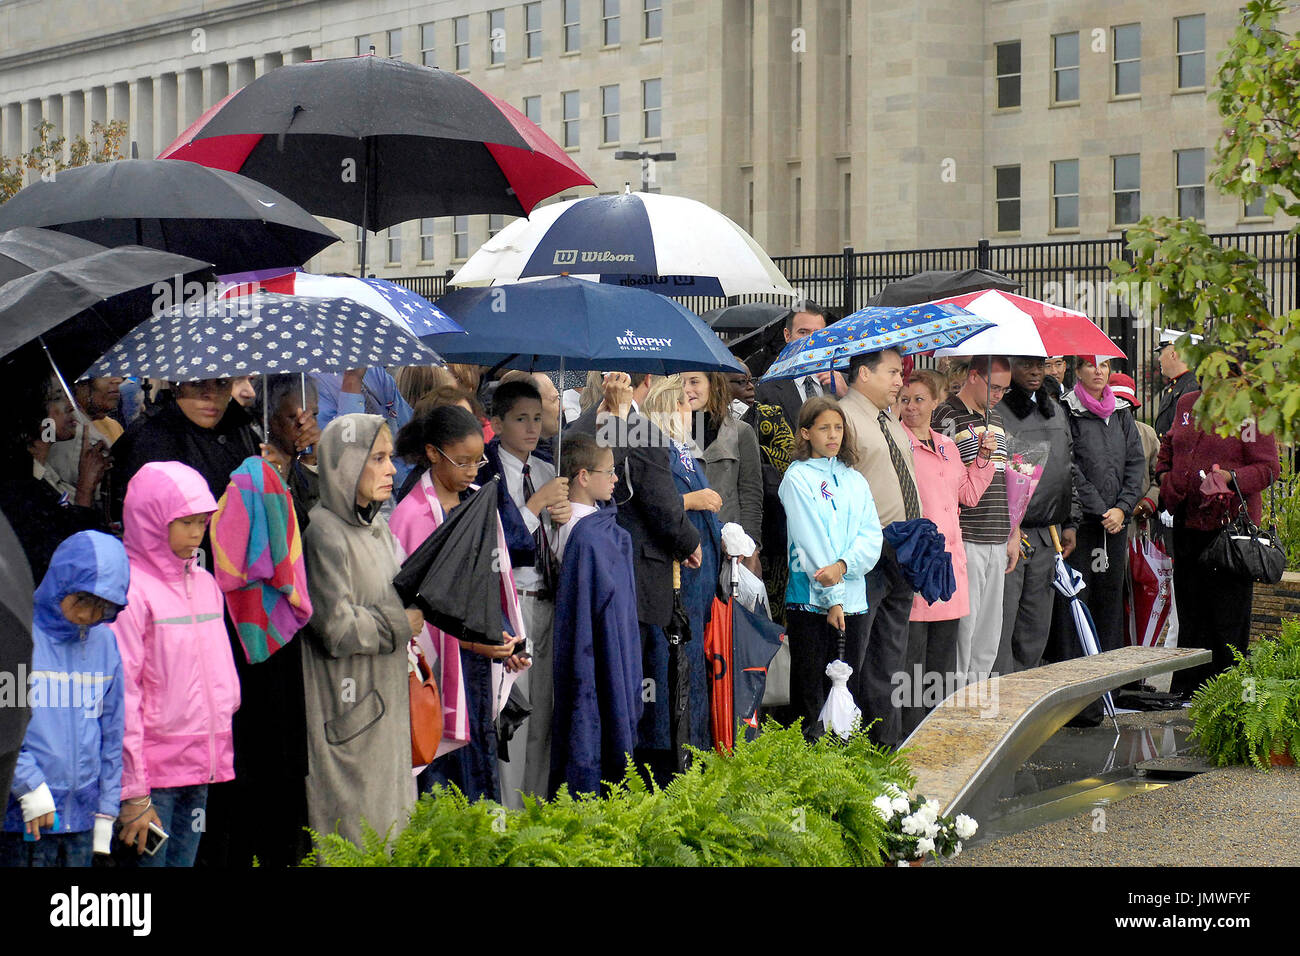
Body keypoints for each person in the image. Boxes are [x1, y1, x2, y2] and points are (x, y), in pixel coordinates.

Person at [391, 405, 529, 802]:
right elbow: (415, 612)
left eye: (478, 460)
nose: (473, 470)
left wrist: (507, 642)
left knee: (481, 777)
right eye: (463, 461)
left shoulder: (478, 504)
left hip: (478, 666)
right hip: (436, 672)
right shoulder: (411, 515)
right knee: (443, 784)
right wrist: (474, 643)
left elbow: (494, 582)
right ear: (433, 454)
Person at [299, 414, 422, 847]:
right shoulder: (323, 534)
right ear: (346, 465)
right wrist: (398, 623)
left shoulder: (379, 529)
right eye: (379, 458)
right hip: (349, 722)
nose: (392, 469)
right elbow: (334, 627)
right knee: (353, 841)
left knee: (392, 835)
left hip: (387, 715)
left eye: (390, 458)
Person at [111, 462, 240, 867]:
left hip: (203, 764)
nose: (195, 532)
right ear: (150, 519)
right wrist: (133, 790)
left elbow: (218, 669)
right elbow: (124, 695)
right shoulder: (130, 591)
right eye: (183, 522)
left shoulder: (204, 584)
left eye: (201, 522)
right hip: (152, 777)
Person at [1, 532, 127, 867]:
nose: (90, 615)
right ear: (60, 584)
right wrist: (27, 784)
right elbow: (5, 722)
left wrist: (107, 809)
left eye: (103, 606)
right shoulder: (20, 636)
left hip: (83, 821)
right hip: (25, 817)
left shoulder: (105, 644)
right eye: (83, 601)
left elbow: (112, 732)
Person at [474, 379, 569, 806]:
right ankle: (508, 814)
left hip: (550, 603)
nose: (532, 428)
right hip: (513, 608)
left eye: (536, 418)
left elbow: (561, 545)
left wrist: (566, 516)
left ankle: (537, 811)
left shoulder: (548, 470)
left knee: (545, 715)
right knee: (515, 714)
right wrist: (534, 508)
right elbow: (499, 546)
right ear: (496, 423)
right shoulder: (486, 474)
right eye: (520, 419)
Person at [1156, 389, 1279, 697]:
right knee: (1190, 616)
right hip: (1187, 526)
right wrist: (1165, 478)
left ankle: (1224, 699)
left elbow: (1268, 467)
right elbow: (1169, 445)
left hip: (1228, 534)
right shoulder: (1187, 403)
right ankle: (1187, 692)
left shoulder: (1251, 409)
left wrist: (1229, 476)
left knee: (1227, 622)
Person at [897, 371, 996, 736]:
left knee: (942, 657)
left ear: (936, 401)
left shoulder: (948, 446)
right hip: (918, 562)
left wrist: (983, 457)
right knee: (913, 659)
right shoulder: (899, 443)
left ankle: (934, 729)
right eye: (905, 399)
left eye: (919, 399)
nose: (911, 407)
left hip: (951, 566)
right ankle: (909, 732)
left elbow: (968, 495)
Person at [780, 396, 882, 736]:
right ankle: (807, 771)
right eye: (824, 428)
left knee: (846, 694)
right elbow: (810, 542)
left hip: (853, 602)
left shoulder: (854, 479)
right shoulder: (797, 478)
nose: (833, 435)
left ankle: (842, 773)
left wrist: (844, 565)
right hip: (812, 602)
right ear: (806, 433)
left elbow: (871, 536)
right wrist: (833, 595)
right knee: (812, 697)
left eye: (838, 428)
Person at [549, 433, 642, 796]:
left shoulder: (597, 524)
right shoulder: (585, 531)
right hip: (593, 639)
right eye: (610, 471)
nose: (616, 479)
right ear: (584, 476)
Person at [838, 348, 920, 747]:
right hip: (865, 552)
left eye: (899, 372)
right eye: (891, 372)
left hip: (903, 548)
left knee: (890, 653)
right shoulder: (843, 419)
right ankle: (850, 744)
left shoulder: (889, 419)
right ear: (864, 374)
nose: (899, 381)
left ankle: (885, 743)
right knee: (858, 651)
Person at [639, 376, 721, 767]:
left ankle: (699, 747)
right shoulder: (658, 450)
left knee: (697, 660)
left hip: (701, 574)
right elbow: (655, 504)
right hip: (678, 573)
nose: (691, 408)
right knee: (680, 662)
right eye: (684, 402)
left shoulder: (685, 450)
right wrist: (693, 499)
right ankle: (682, 753)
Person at [1055, 357, 1146, 705]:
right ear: (1078, 372)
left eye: (1105, 366)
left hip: (1117, 525)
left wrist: (1123, 508)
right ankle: (1080, 695)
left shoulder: (1121, 410)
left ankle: (1110, 688)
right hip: (1085, 526)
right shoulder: (1068, 410)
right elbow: (1071, 466)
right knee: (1080, 603)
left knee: (1111, 604)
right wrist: (1099, 509)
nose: (1098, 371)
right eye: (1091, 366)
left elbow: (1135, 463)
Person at [932, 356, 1017, 686]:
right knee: (963, 631)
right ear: (973, 377)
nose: (998, 395)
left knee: (988, 629)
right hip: (965, 534)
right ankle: (955, 699)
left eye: (1005, 390)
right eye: (994, 387)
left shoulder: (996, 418)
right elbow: (941, 480)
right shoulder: (946, 416)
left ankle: (978, 695)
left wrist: (1013, 530)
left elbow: (1004, 479)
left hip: (997, 532)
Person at [995, 356, 1081, 675]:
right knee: (1004, 623)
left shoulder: (1056, 408)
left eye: (1039, 365)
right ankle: (1003, 696)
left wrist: (1071, 519)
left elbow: (1068, 469)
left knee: (1035, 625)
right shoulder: (998, 412)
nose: (1034, 371)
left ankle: (1026, 694)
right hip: (1012, 533)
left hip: (1049, 532)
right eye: (1026, 364)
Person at [0, 370, 110, 583]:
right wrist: (85, 490)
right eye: (57, 399)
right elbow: (64, 554)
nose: (70, 405)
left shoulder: (45, 471)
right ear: (32, 412)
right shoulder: (19, 487)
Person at [682, 370, 764, 573]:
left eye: (694, 382)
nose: (687, 389)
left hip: (731, 549)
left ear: (712, 384)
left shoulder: (741, 432)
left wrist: (751, 547)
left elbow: (751, 494)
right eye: (681, 383)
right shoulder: (667, 433)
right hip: (687, 546)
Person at [754, 303, 844, 433]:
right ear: (787, 335)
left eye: (818, 333)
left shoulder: (843, 383)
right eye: (803, 332)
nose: (810, 340)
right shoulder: (765, 389)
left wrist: (847, 394)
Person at [1109, 373, 1161, 537]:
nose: (1121, 409)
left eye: (1126, 404)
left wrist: (1149, 501)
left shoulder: (1148, 435)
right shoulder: (1096, 434)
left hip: (1137, 522)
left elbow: (1159, 475)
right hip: (1106, 518)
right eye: (1116, 402)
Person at [1153, 329, 1201, 437]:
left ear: (1173, 355)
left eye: (1161, 353)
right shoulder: (1175, 386)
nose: (1159, 359)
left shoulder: (1191, 388)